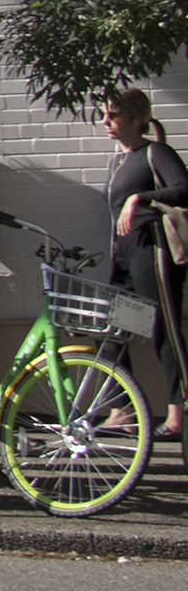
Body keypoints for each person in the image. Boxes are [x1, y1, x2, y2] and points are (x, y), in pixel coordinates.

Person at [105, 88, 188, 440]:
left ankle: (176, 417)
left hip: (152, 251)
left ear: (136, 118)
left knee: (164, 333)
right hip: (124, 255)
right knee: (113, 332)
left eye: (114, 115)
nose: (106, 122)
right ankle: (120, 410)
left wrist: (141, 198)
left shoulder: (155, 152)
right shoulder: (118, 161)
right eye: (105, 115)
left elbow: (184, 189)